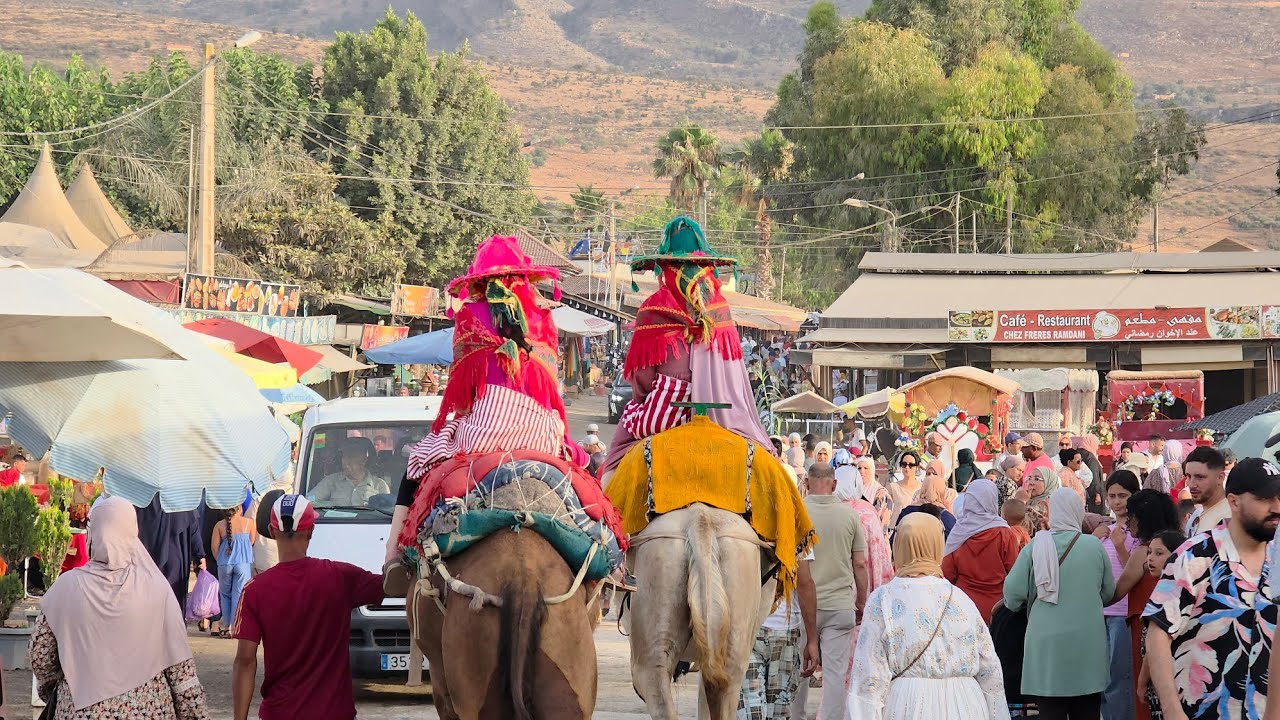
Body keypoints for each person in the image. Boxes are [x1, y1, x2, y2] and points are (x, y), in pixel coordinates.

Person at [31, 497, 211, 718]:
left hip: (80, 709)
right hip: (149, 710)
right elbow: (180, 669)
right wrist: (194, 714)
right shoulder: (156, 589)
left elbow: (41, 657)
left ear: (92, 534)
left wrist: (60, 684)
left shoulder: (65, 588)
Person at [1144, 457, 1279, 720]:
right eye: (1265, 499)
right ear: (1234, 501)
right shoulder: (1195, 556)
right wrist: (1172, 710)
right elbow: (1158, 633)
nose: (1276, 507)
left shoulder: (1277, 559)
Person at [232, 494, 385, 720]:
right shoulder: (340, 577)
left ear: (272, 532)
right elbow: (392, 584)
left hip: (281, 713)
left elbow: (245, 661)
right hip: (334, 713)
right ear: (311, 531)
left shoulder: (254, 590)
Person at [846, 513, 1009, 720]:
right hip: (965, 705)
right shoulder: (960, 599)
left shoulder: (883, 600)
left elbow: (869, 678)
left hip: (909, 705)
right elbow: (990, 670)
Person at [1004, 488, 1116, 720]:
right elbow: (1108, 593)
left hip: (1046, 644)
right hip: (1087, 643)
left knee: (1050, 709)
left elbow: (1012, 595)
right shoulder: (1093, 546)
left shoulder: (1036, 546)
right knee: (1087, 710)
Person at [803, 461, 869, 720]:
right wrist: (861, 600)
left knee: (800, 673)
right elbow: (860, 564)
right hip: (840, 604)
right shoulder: (850, 515)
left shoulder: (796, 513)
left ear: (807, 483)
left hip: (801, 607)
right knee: (835, 676)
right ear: (834, 484)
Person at [738, 537, 820, 719]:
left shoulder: (743, 517)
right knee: (779, 713)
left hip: (746, 628)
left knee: (750, 712)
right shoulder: (795, 525)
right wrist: (812, 640)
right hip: (785, 631)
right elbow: (804, 582)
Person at [1091, 471, 1142, 720]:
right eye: (1112, 496)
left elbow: (1134, 571)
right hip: (1101, 611)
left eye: (1123, 495)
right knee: (1102, 677)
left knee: (1119, 676)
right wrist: (1093, 540)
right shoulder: (1105, 531)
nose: (1117, 501)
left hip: (1123, 613)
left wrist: (1120, 544)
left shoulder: (1137, 533)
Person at [942, 478, 1022, 623]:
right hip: (997, 607)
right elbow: (1014, 572)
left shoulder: (959, 532)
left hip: (963, 604)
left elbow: (948, 573)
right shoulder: (1004, 533)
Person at [1137, 529, 1186, 720]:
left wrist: (1142, 680)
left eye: (1159, 553)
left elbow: (1156, 644)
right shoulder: (1161, 587)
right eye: (1149, 552)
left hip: (1168, 677)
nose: (1150, 559)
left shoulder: (1172, 590)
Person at [135, 495, 205, 611]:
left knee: (149, 602)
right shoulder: (183, 501)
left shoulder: (144, 501)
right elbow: (193, 528)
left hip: (148, 559)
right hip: (176, 557)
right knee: (174, 601)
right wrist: (200, 555)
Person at [210, 503, 258, 639]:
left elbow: (214, 547)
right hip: (243, 563)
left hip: (224, 563)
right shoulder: (249, 523)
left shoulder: (219, 525)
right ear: (240, 509)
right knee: (239, 594)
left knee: (225, 595)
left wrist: (220, 560)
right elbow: (252, 542)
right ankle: (234, 626)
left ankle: (225, 625)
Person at [309, 438, 391, 507]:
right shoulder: (331, 481)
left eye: (351, 457)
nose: (345, 462)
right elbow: (310, 500)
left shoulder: (380, 485)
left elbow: (388, 512)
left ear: (364, 460)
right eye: (344, 456)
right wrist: (332, 506)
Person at [895, 460, 956, 534]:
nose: (931, 476)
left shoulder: (951, 494)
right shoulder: (947, 517)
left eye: (934, 473)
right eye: (928, 473)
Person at [1182, 446, 1230, 536]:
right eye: (1188, 476)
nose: (1191, 484)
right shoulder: (1199, 514)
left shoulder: (1229, 519)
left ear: (1220, 478)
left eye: (1200, 477)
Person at [886, 451, 923, 525]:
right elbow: (887, 510)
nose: (907, 467)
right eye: (904, 464)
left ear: (917, 467)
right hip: (897, 528)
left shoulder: (922, 488)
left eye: (911, 465)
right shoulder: (893, 487)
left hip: (916, 527)